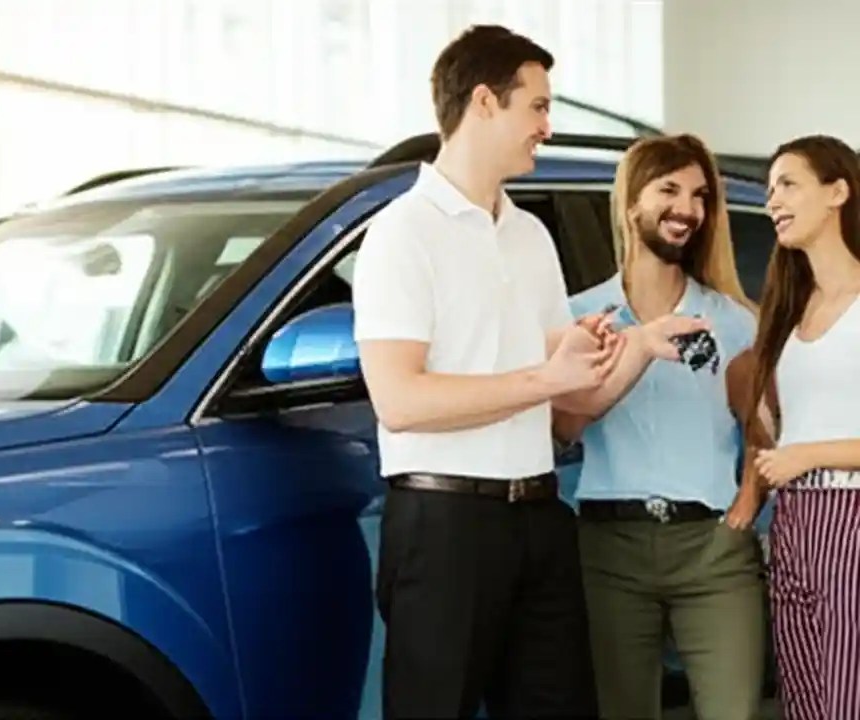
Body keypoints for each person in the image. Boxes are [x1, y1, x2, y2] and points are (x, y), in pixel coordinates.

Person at [352, 24, 669, 719]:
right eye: (538, 106)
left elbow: (566, 409)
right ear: (484, 102)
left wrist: (628, 349)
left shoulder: (529, 235)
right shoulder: (401, 233)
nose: (547, 127)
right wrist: (547, 378)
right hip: (444, 527)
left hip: (541, 517)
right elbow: (400, 400)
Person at [554, 134, 767, 720]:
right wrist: (635, 349)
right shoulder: (580, 317)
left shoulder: (733, 321)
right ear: (631, 204)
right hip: (609, 547)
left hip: (712, 549)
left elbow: (763, 429)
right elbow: (564, 427)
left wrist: (745, 506)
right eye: (669, 190)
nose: (687, 208)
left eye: (699, 196)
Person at [736, 134, 860, 720]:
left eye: (788, 184)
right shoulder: (789, 306)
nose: (773, 202)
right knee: (804, 700)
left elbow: (802, 444)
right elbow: (772, 422)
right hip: (793, 521)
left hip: (850, 515)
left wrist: (807, 455)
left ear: (838, 192)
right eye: (769, 191)